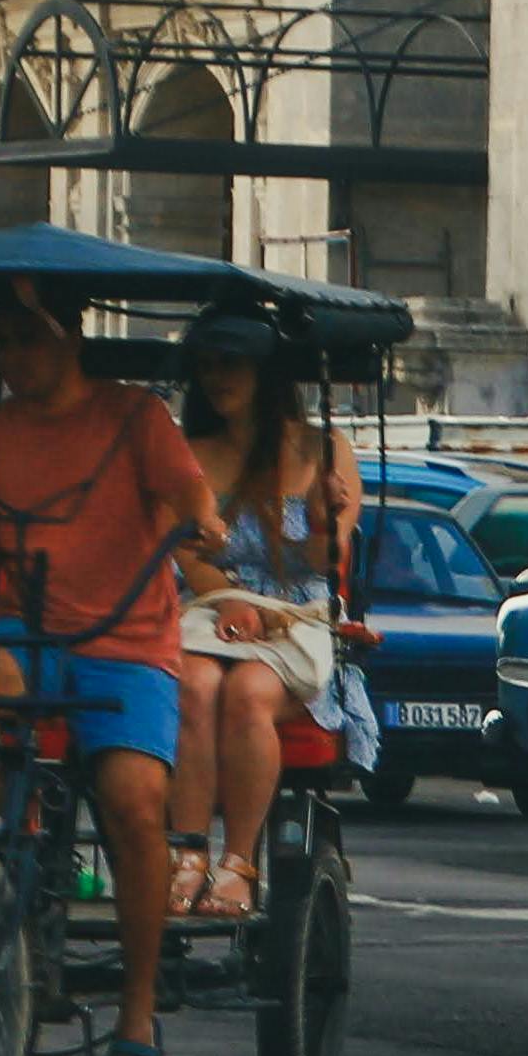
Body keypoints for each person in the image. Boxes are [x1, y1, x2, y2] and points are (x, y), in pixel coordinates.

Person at [0, 276, 229, 1056]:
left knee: (131, 803)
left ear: (67, 341)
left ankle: (135, 1012)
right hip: (29, 630)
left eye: (23, 340)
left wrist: (204, 517)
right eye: (1, 345)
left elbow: (187, 488)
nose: (8, 359)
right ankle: (1, 829)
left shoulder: (134, 417)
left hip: (128, 640)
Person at [160, 308, 353, 924]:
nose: (218, 377)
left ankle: (238, 862)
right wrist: (230, 598)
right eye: (209, 365)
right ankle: (187, 850)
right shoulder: (189, 452)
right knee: (193, 682)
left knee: (246, 693)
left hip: (297, 616)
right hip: (213, 607)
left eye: (233, 363)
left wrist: (324, 517)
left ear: (266, 372)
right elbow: (188, 555)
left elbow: (330, 559)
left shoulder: (324, 450)